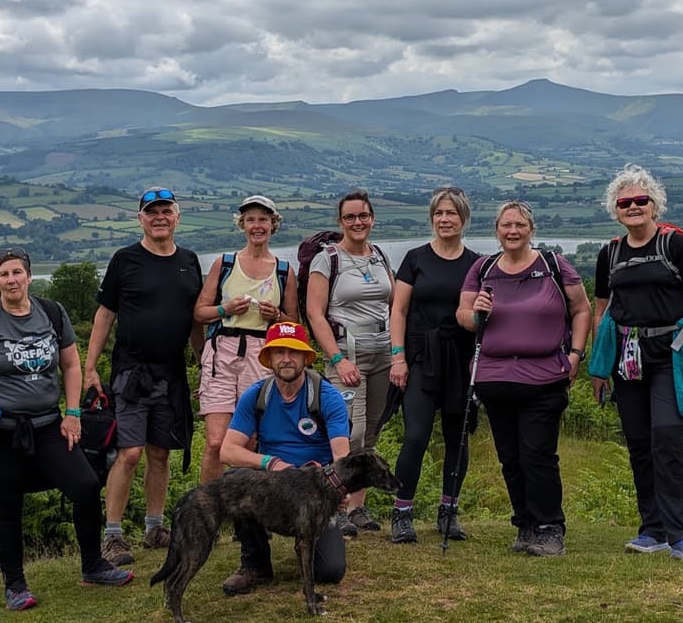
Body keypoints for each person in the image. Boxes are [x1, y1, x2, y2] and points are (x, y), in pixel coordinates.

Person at [0, 247, 132, 612]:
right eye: (4, 274)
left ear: (29, 276)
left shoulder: (51, 312)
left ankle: (93, 565)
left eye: (17, 272)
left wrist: (72, 412)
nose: (11, 280)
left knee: (85, 485)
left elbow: (71, 365)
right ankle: (15, 584)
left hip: (49, 424)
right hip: (0, 429)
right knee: (8, 504)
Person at [590, 164, 683, 561]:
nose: (633, 207)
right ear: (615, 210)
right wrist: (598, 367)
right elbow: (601, 311)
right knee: (640, 443)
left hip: (670, 356)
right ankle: (652, 529)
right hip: (627, 357)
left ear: (654, 205)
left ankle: (682, 535)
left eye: (640, 200)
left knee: (667, 438)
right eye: (624, 202)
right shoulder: (610, 254)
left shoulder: (676, 247)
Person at [457, 201, 591, 557]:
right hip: (494, 379)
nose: (512, 231)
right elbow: (463, 316)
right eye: (506, 225)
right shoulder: (483, 269)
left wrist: (576, 354)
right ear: (496, 230)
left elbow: (581, 308)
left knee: (537, 455)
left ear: (531, 229)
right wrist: (476, 313)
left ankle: (549, 528)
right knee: (510, 457)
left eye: (519, 225)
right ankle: (525, 525)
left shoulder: (553, 265)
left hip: (544, 378)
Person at [85, 187, 203, 567]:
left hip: (172, 372)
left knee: (160, 453)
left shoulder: (189, 261)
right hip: (131, 372)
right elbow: (105, 315)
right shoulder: (125, 260)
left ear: (177, 217)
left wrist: (205, 365)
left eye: (166, 211)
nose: (159, 218)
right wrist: (90, 367)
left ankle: (155, 528)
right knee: (130, 452)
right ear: (140, 219)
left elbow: (195, 322)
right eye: (152, 212)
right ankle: (112, 536)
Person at [218, 322, 351, 595]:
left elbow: (342, 458)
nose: (286, 359)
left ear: (306, 358)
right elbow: (227, 451)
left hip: (315, 490)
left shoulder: (328, 397)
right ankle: (255, 564)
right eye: (279, 352)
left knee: (330, 572)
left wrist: (340, 489)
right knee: (235, 480)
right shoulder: (256, 395)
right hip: (273, 485)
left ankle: (314, 541)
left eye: (294, 352)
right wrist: (271, 463)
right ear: (269, 358)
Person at [386, 187, 482, 543]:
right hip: (420, 357)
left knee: (457, 438)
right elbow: (398, 310)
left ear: (463, 219)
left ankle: (448, 512)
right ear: (431, 218)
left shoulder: (477, 264)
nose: (444, 219)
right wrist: (398, 357)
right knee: (416, 436)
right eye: (439, 213)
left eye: (451, 213)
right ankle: (402, 513)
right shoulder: (415, 259)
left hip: (460, 357)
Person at [305, 188, 393, 536]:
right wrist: (338, 359)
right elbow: (315, 313)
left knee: (369, 433)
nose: (358, 222)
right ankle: (335, 507)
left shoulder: (380, 255)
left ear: (372, 218)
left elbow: (393, 303)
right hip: (347, 354)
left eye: (363, 215)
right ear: (341, 221)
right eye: (350, 217)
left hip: (383, 353)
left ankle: (357, 508)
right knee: (347, 435)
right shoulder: (327, 259)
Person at [193, 195, 298, 484]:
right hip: (222, 352)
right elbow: (200, 313)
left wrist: (276, 315)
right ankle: (207, 506)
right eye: (250, 220)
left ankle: (245, 506)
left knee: (250, 441)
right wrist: (225, 309)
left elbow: (294, 325)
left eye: (263, 219)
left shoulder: (283, 270)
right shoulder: (225, 264)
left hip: (262, 354)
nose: (257, 226)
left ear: (273, 224)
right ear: (242, 225)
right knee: (216, 442)